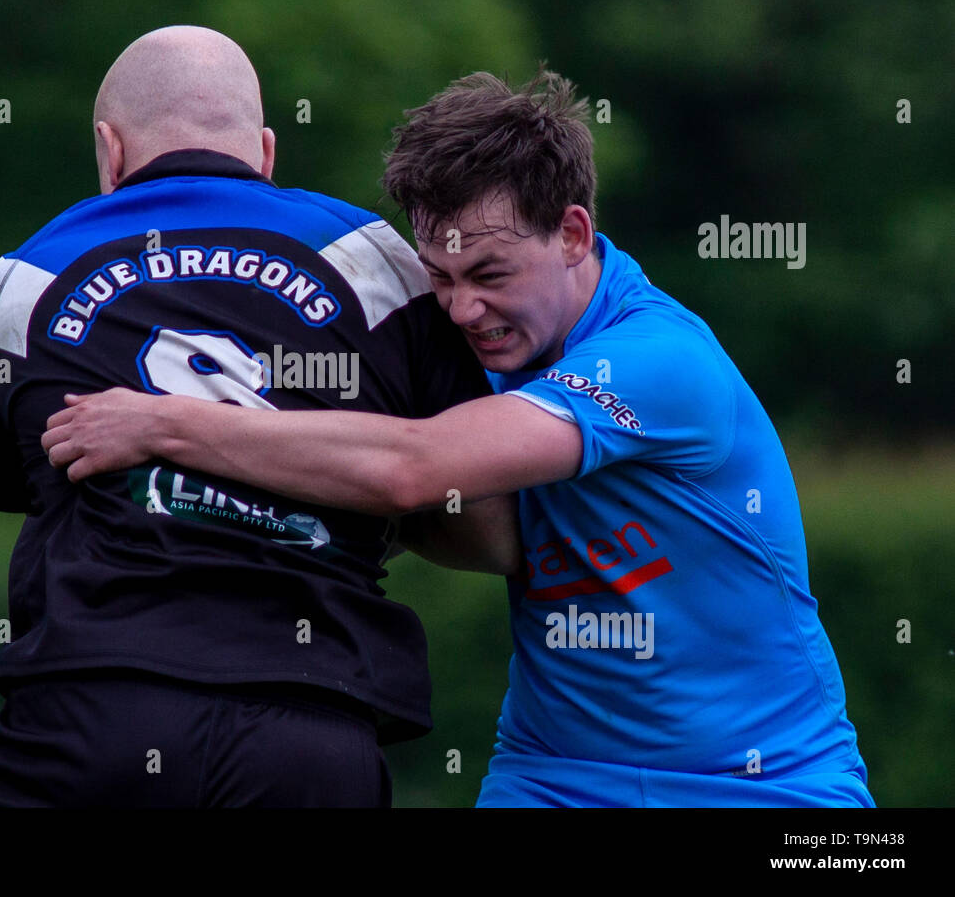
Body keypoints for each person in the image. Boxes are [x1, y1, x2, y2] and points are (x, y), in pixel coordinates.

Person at [43, 69, 875, 807]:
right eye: (438, 278)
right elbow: (467, 527)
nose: (463, 310)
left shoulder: (661, 362)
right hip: (552, 774)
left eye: (490, 275)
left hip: (764, 782)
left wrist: (166, 422)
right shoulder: (484, 346)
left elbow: (414, 469)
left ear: (575, 235)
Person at [0, 27, 519, 808]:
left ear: (109, 151)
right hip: (310, 727)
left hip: (89, 719)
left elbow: (45, 478)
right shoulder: (378, 260)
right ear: (263, 151)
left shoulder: (20, 279)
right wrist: (345, 486)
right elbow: (489, 527)